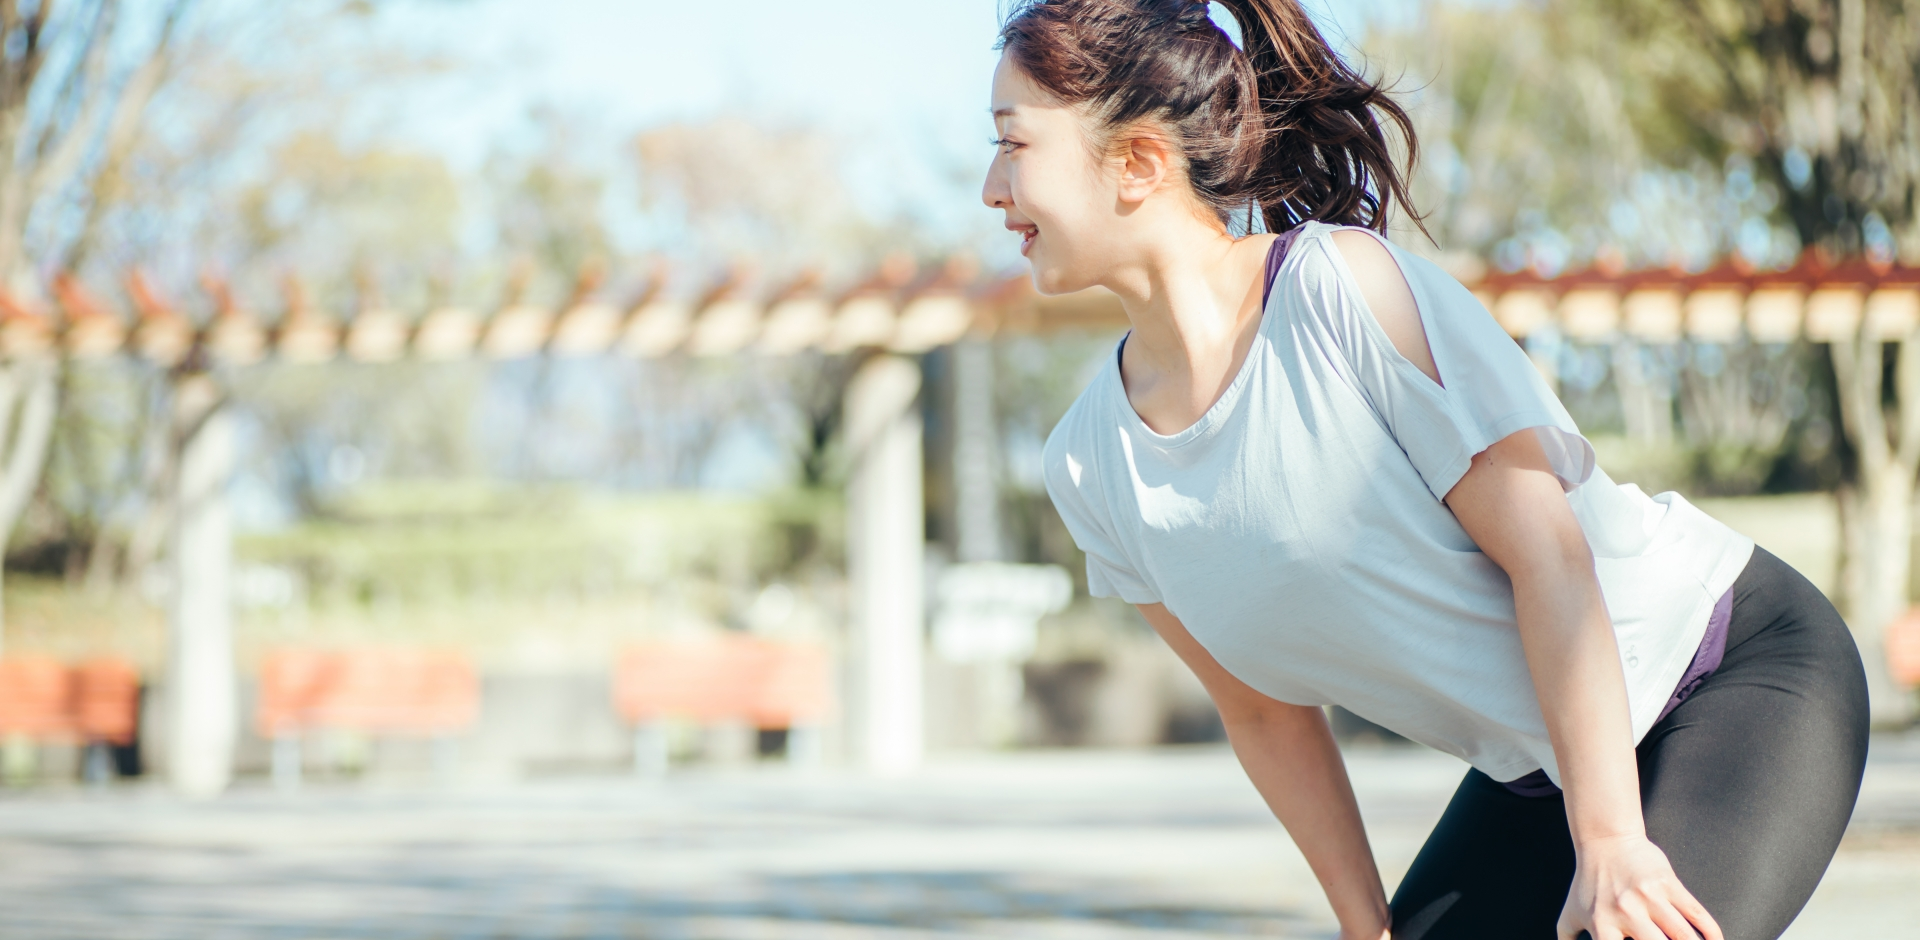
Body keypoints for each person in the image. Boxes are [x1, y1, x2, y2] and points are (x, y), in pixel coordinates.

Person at [979, 2, 1870, 938]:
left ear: (1138, 164)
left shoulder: (1339, 293)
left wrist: (1610, 841)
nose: (994, 190)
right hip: (1539, 774)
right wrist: (1370, 926)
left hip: (1729, 671)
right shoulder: (1090, 463)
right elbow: (1265, 717)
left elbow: (1550, 557)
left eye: (1014, 145)